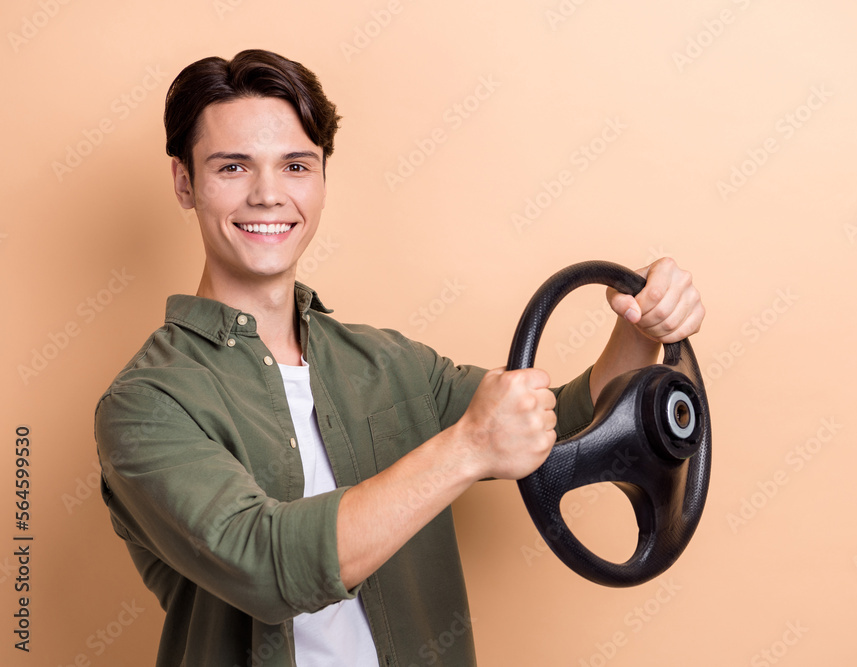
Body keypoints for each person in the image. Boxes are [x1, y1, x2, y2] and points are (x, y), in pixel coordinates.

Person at [94, 49, 705, 667]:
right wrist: (465, 448)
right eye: (232, 167)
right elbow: (269, 569)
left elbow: (562, 424)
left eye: (296, 165)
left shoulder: (389, 363)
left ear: (322, 179)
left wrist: (640, 326)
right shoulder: (146, 404)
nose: (268, 194)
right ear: (183, 182)